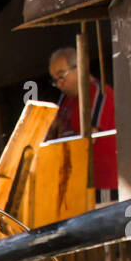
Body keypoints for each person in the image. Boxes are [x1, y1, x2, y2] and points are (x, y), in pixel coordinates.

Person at [46, 46, 118, 201]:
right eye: (54, 79)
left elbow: (90, 138)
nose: (59, 83)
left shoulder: (100, 93)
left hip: (102, 185)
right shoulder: (64, 101)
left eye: (61, 76)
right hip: (77, 186)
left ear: (80, 67)